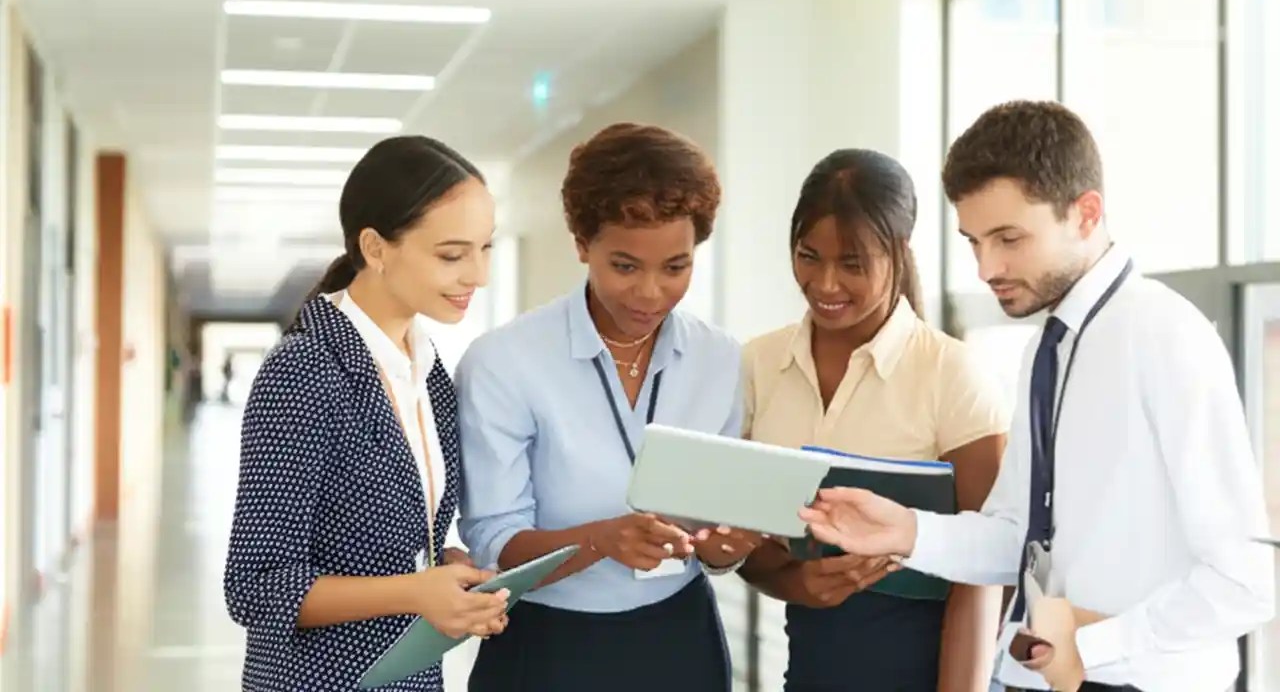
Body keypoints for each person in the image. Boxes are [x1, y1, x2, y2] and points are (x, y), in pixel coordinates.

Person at [797, 101, 1275, 692]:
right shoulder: (1048, 349)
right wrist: (906, 531)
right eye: (974, 241)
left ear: (1086, 213)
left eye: (1009, 238)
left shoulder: (1165, 337)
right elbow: (1014, 536)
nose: (986, 267)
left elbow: (1248, 580)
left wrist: (1088, 645)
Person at [455, 122, 761, 692]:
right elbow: (495, 543)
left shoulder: (720, 358)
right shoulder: (503, 361)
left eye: (676, 267)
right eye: (624, 266)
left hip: (680, 638)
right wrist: (599, 540)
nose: (650, 294)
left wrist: (723, 550)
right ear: (581, 243)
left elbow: (714, 526)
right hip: (548, 646)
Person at [223, 136, 510, 692]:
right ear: (375, 248)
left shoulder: (429, 373)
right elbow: (255, 586)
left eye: (486, 249)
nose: (478, 275)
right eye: (452, 255)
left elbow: (397, 543)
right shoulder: (305, 371)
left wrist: (449, 574)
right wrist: (414, 589)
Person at [737, 149, 1009, 691]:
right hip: (810, 669)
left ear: (899, 252)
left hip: (930, 669)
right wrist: (797, 581)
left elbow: (985, 571)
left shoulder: (950, 372)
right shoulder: (758, 365)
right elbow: (744, 543)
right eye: (808, 256)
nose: (825, 284)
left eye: (853, 263)